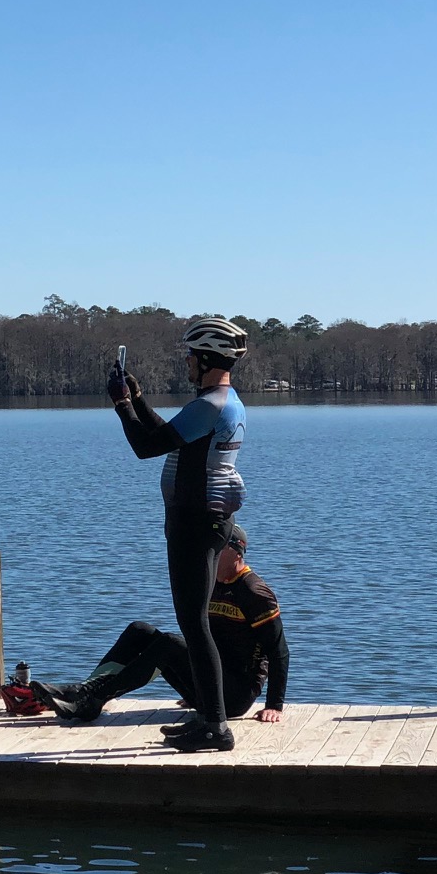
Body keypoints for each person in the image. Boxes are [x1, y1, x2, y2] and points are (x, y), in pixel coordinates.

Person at [106, 316, 250, 751]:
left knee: (194, 624)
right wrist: (138, 399)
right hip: (205, 521)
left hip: (194, 522)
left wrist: (121, 405)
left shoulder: (211, 405)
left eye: (190, 355)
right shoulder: (224, 401)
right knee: (195, 622)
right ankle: (208, 718)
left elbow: (146, 447)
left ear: (206, 359)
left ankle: (216, 727)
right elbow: (168, 436)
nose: (186, 361)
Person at [29, 522, 288, 726]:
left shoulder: (254, 592)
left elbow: (279, 651)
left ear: (236, 551)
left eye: (217, 546)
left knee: (170, 644)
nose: (208, 551)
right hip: (209, 682)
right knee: (139, 630)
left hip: (233, 697)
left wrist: (274, 705)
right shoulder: (211, 583)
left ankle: (93, 700)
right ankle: (84, 692)